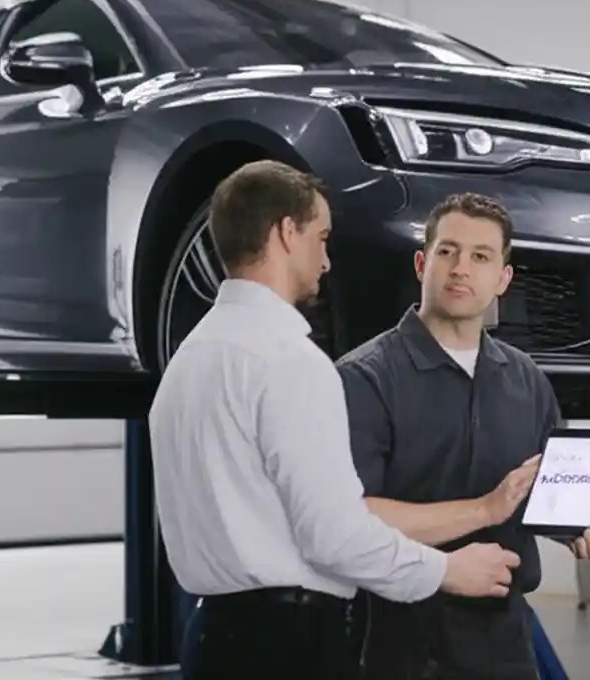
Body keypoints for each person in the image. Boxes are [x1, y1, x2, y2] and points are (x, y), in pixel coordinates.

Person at [148, 162, 524, 680]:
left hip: (211, 637)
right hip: (287, 645)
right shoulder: (290, 361)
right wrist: (447, 571)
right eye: (321, 237)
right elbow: (335, 534)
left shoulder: (188, 360)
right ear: (286, 232)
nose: (326, 260)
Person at [335, 193, 590, 680]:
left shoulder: (526, 379)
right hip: (400, 645)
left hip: (505, 643)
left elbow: (546, 491)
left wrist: (584, 523)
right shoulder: (364, 379)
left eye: (480, 256)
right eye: (447, 251)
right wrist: (483, 509)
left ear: (502, 279)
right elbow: (350, 518)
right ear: (421, 263)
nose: (460, 268)